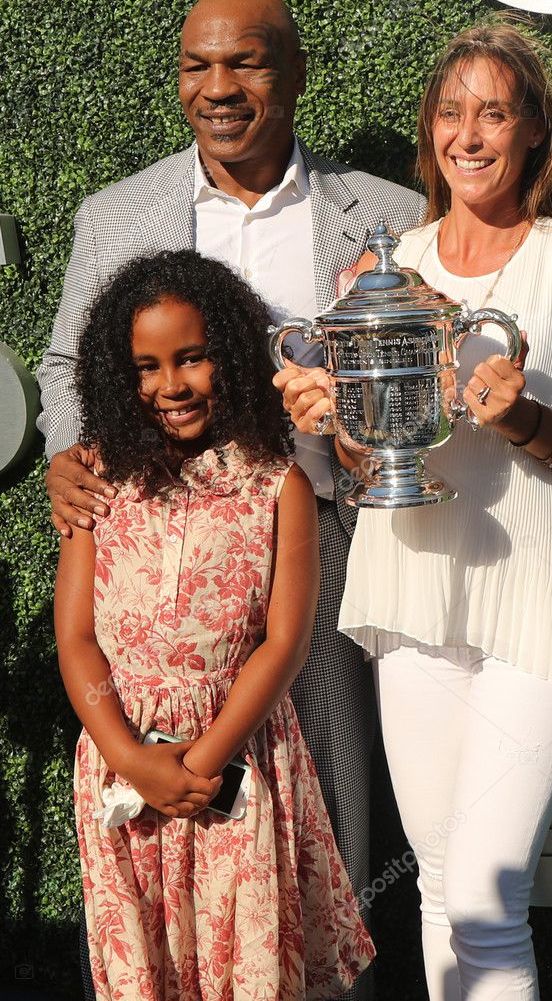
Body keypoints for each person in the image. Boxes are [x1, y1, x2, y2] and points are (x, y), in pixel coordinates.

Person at [36, 0, 552, 999]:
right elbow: (68, 367)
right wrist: (70, 455)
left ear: (296, 75)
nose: (220, 88)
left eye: (247, 64)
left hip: (324, 548)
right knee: (420, 878)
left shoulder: (388, 221)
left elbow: (518, 279)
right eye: (198, 65)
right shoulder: (115, 215)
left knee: (334, 819)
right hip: (164, 572)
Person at [277, 22, 552, 1001]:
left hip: (536, 601)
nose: (468, 134)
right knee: (438, 891)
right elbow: (366, 454)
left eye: (494, 112)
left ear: (533, 134)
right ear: (428, 132)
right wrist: (331, 422)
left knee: (485, 896)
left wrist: (518, 412)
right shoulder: (381, 268)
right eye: (450, 111)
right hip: (412, 585)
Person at [54, 248, 375, 1001]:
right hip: (120, 765)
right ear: (116, 374)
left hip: (237, 764)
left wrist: (202, 763)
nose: (170, 385)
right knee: (145, 964)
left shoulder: (278, 483)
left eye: (192, 358)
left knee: (243, 961)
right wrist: (130, 759)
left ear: (228, 356)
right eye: (146, 366)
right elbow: (75, 637)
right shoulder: (94, 480)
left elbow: (285, 641)